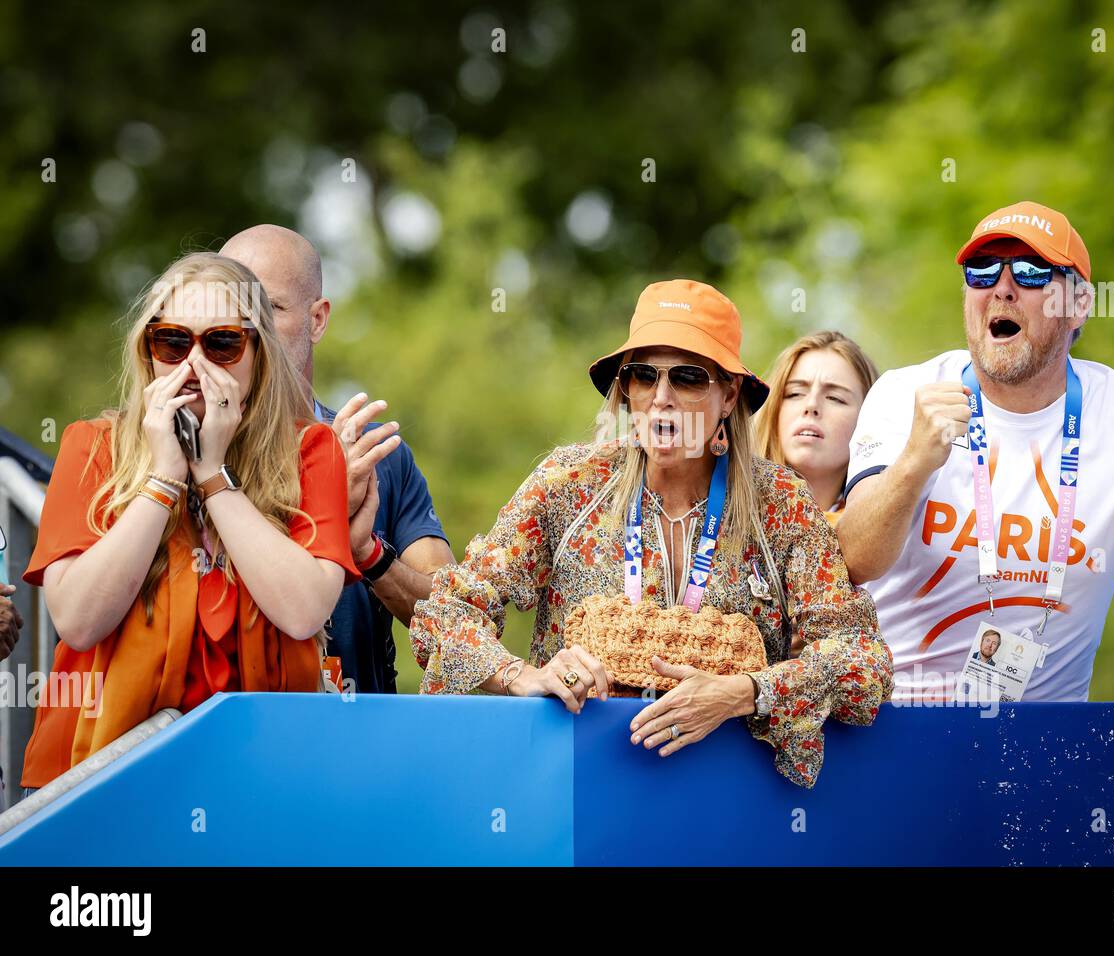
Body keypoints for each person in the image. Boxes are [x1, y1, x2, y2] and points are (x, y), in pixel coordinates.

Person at [409, 279, 892, 787]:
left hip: (731, 800)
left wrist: (744, 692)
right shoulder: (570, 482)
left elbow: (862, 661)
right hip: (573, 793)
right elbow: (446, 611)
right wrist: (525, 678)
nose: (661, 398)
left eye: (686, 377)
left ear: (728, 395)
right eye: (642, 375)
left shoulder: (782, 504)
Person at [837, 201, 1114, 703]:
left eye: (1031, 273)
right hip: (893, 725)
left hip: (1044, 752)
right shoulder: (907, 395)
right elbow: (854, 560)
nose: (1002, 287)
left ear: (1078, 305)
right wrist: (913, 464)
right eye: (982, 270)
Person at [18, 252, 359, 791]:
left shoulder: (312, 451)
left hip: (261, 772)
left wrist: (212, 474)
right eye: (173, 342)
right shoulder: (92, 446)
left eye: (221, 343)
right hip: (101, 774)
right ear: (148, 351)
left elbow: (303, 611)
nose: (194, 364)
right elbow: (79, 620)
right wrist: (163, 478)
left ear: (259, 355)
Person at [220, 225, 454, 693]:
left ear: (318, 319)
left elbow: (453, 615)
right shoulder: (196, 450)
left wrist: (368, 553)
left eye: (270, 308)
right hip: (233, 733)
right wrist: (323, 502)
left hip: (360, 742)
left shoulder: (376, 454)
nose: (249, 330)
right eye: (233, 311)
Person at [753, 330, 879, 526]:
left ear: (868, 419)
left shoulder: (890, 532)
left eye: (835, 398)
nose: (811, 405)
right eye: (794, 393)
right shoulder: (723, 504)